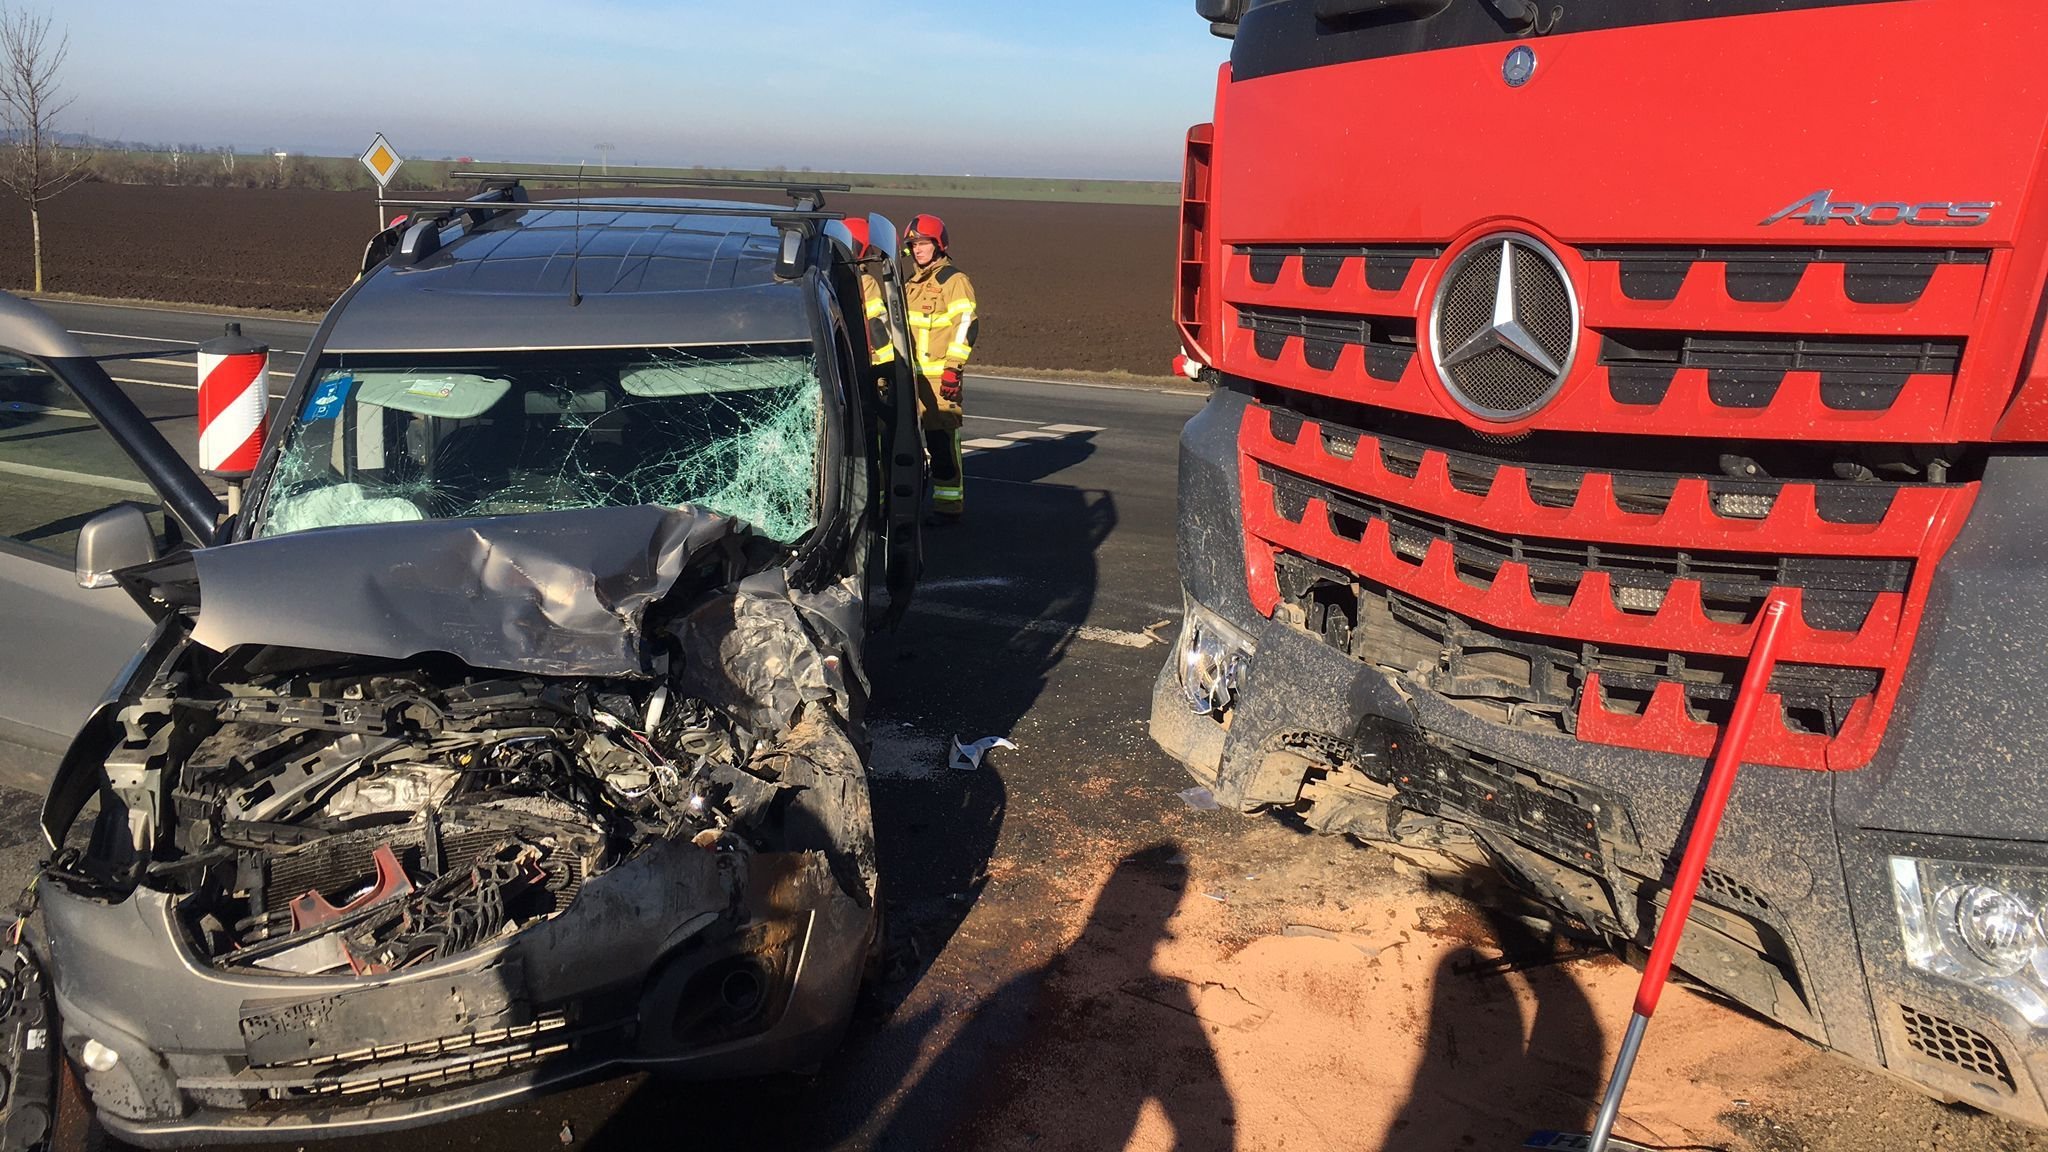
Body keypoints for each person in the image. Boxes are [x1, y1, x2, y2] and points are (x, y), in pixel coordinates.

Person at [901, 213, 978, 524]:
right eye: (913, 244)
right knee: (904, 443)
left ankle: (948, 508)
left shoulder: (954, 281)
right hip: (909, 377)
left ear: (938, 245)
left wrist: (953, 368)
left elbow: (967, 325)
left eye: (923, 243)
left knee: (942, 443)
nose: (918, 250)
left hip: (937, 379)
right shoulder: (909, 284)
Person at [841, 218, 895, 370]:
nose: (872, 254)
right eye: (869, 248)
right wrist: (890, 366)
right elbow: (875, 324)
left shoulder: (828, 280)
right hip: (869, 364)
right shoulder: (865, 282)